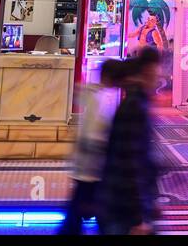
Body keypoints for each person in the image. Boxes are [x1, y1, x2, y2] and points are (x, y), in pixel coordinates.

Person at [100, 48, 161, 235]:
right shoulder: (135, 107)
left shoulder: (136, 103)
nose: (159, 78)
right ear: (147, 71)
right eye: (156, 72)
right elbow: (131, 164)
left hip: (120, 203)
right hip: (124, 210)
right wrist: (138, 217)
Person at [59, 59, 123, 235]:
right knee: (88, 212)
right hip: (93, 168)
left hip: (86, 166)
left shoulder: (98, 94)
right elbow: (93, 135)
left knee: (79, 211)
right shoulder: (102, 98)